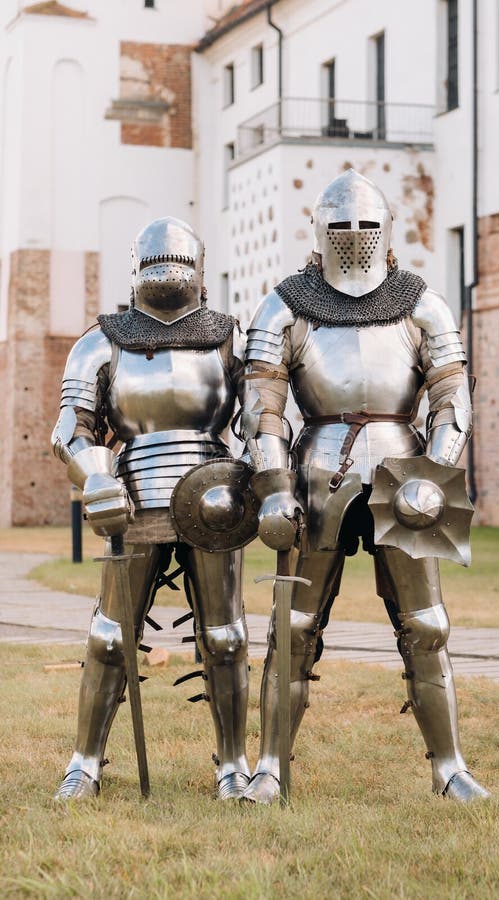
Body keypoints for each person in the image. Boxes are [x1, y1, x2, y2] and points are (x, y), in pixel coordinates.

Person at [241, 170, 489, 804]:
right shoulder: (285, 305)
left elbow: (453, 400)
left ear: (387, 230)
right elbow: (262, 406)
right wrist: (275, 484)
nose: (354, 236)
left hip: (405, 474)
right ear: (319, 232)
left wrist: (434, 473)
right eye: (341, 226)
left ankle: (450, 767)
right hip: (315, 473)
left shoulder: (421, 304)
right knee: (293, 629)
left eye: (366, 225)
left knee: (426, 626)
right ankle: (269, 766)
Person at [51, 217, 251, 800]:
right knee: (110, 636)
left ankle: (233, 764)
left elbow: (261, 415)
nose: (169, 270)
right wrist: (96, 475)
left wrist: (260, 471)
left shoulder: (228, 338)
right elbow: (71, 428)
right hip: (133, 492)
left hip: (216, 493)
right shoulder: (101, 341)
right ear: (135, 268)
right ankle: (85, 763)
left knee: (225, 637)